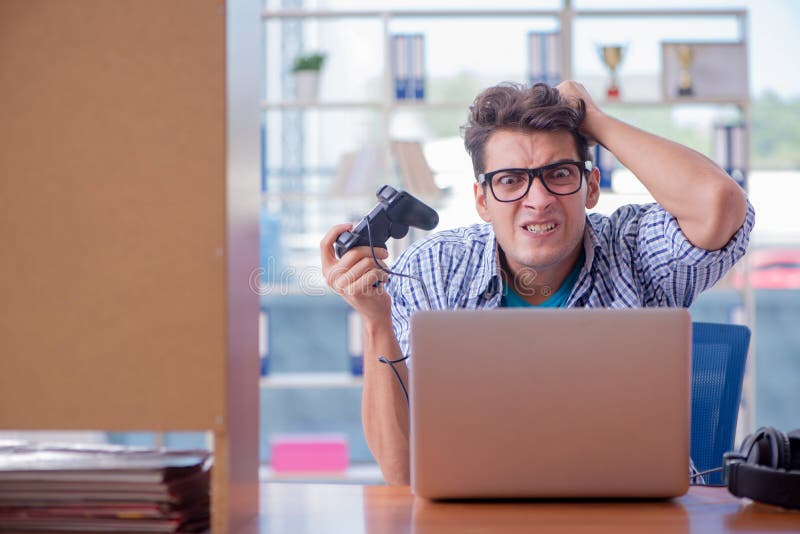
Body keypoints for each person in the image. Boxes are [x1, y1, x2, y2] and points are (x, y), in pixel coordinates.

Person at [320, 80, 754, 485]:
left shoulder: (636, 248)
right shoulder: (435, 267)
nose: (539, 200)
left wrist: (594, 120)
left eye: (560, 174)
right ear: (482, 201)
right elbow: (401, 470)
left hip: (635, 513)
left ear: (591, 187)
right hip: (483, 514)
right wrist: (377, 321)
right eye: (510, 181)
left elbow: (718, 203)